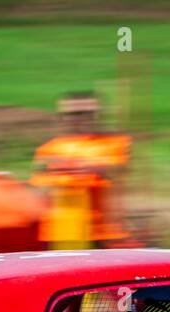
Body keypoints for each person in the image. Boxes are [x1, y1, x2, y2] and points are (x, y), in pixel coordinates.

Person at [30, 93, 132, 248]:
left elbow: (116, 169)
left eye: (88, 113)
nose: (81, 118)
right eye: (73, 114)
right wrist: (85, 169)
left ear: (97, 115)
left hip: (101, 232)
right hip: (61, 232)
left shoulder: (113, 143)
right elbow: (40, 186)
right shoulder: (50, 148)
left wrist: (65, 168)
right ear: (64, 117)